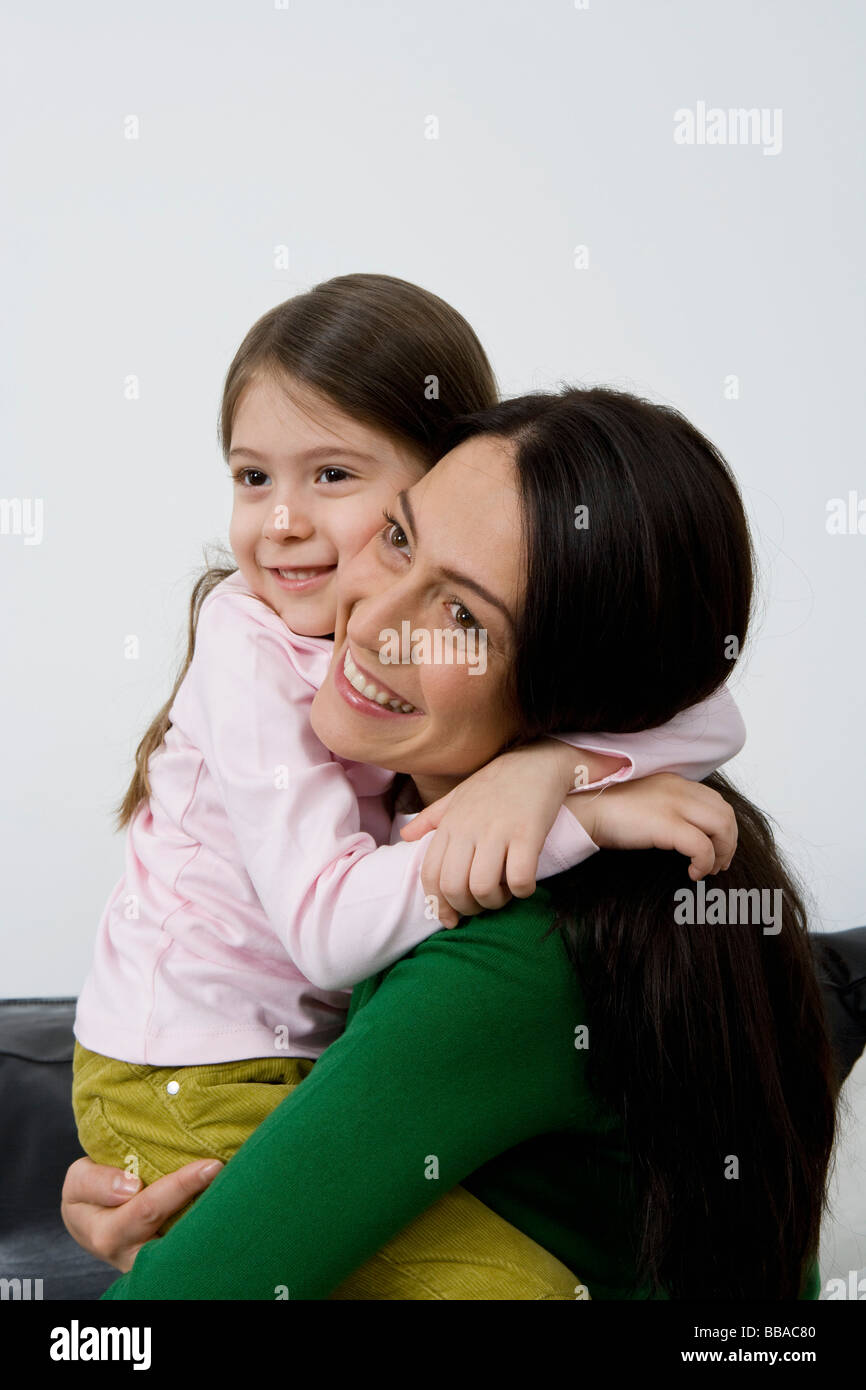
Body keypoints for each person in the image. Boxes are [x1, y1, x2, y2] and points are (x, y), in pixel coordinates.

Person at [63, 385, 837, 1300]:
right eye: (398, 534)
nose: (374, 619)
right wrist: (557, 771)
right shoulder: (670, 866)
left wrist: (186, 1259)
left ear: (578, 697)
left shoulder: (501, 960)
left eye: (464, 617)